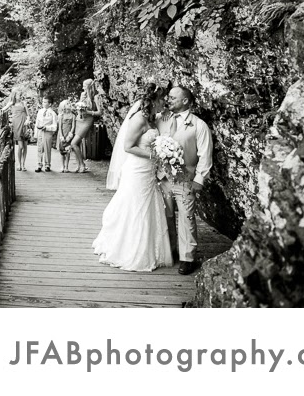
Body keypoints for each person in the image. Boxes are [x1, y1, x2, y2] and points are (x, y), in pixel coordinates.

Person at [92, 83, 174, 272]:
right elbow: (128, 147)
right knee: (135, 206)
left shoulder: (154, 118)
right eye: (162, 99)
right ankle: (131, 250)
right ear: (153, 100)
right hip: (137, 170)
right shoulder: (139, 119)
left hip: (149, 172)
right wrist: (156, 155)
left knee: (148, 205)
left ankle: (151, 249)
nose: (165, 102)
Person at [157, 86, 213, 275]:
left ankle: (188, 257)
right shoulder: (162, 120)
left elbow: (205, 156)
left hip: (185, 179)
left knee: (187, 218)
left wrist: (199, 180)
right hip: (163, 178)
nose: (168, 99)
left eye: (173, 97)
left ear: (186, 101)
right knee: (167, 215)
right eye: (169, 97)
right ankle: (172, 251)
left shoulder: (198, 125)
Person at [70, 79, 103, 173]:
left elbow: (100, 112)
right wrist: (77, 107)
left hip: (87, 120)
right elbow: (79, 106)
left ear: (89, 87)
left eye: (84, 85)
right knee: (78, 144)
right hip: (79, 119)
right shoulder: (82, 95)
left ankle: (83, 165)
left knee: (73, 143)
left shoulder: (95, 97)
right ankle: (79, 165)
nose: (82, 87)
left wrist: (88, 112)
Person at [2, 89, 32, 171]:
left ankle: (23, 164)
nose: (19, 95)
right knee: (20, 146)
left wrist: (27, 120)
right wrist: (9, 104)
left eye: (20, 94)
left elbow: (28, 115)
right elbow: (3, 110)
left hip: (24, 125)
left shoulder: (24, 103)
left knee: (25, 146)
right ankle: (19, 163)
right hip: (16, 124)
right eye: (18, 94)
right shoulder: (12, 103)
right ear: (14, 95)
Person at [34, 97, 58, 172]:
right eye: (43, 102)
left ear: (49, 104)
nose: (43, 103)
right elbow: (37, 123)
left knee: (47, 148)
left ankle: (47, 165)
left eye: (45, 102)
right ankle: (39, 165)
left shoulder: (53, 114)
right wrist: (36, 133)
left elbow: (54, 126)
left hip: (47, 132)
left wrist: (47, 127)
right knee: (39, 148)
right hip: (40, 131)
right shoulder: (40, 112)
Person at [56, 99, 76, 173]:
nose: (69, 104)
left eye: (69, 103)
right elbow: (60, 127)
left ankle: (67, 167)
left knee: (68, 151)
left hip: (69, 135)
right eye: (67, 103)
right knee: (62, 152)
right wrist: (61, 136)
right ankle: (62, 166)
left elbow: (73, 126)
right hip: (62, 135)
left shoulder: (73, 116)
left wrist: (70, 136)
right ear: (64, 106)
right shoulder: (61, 115)